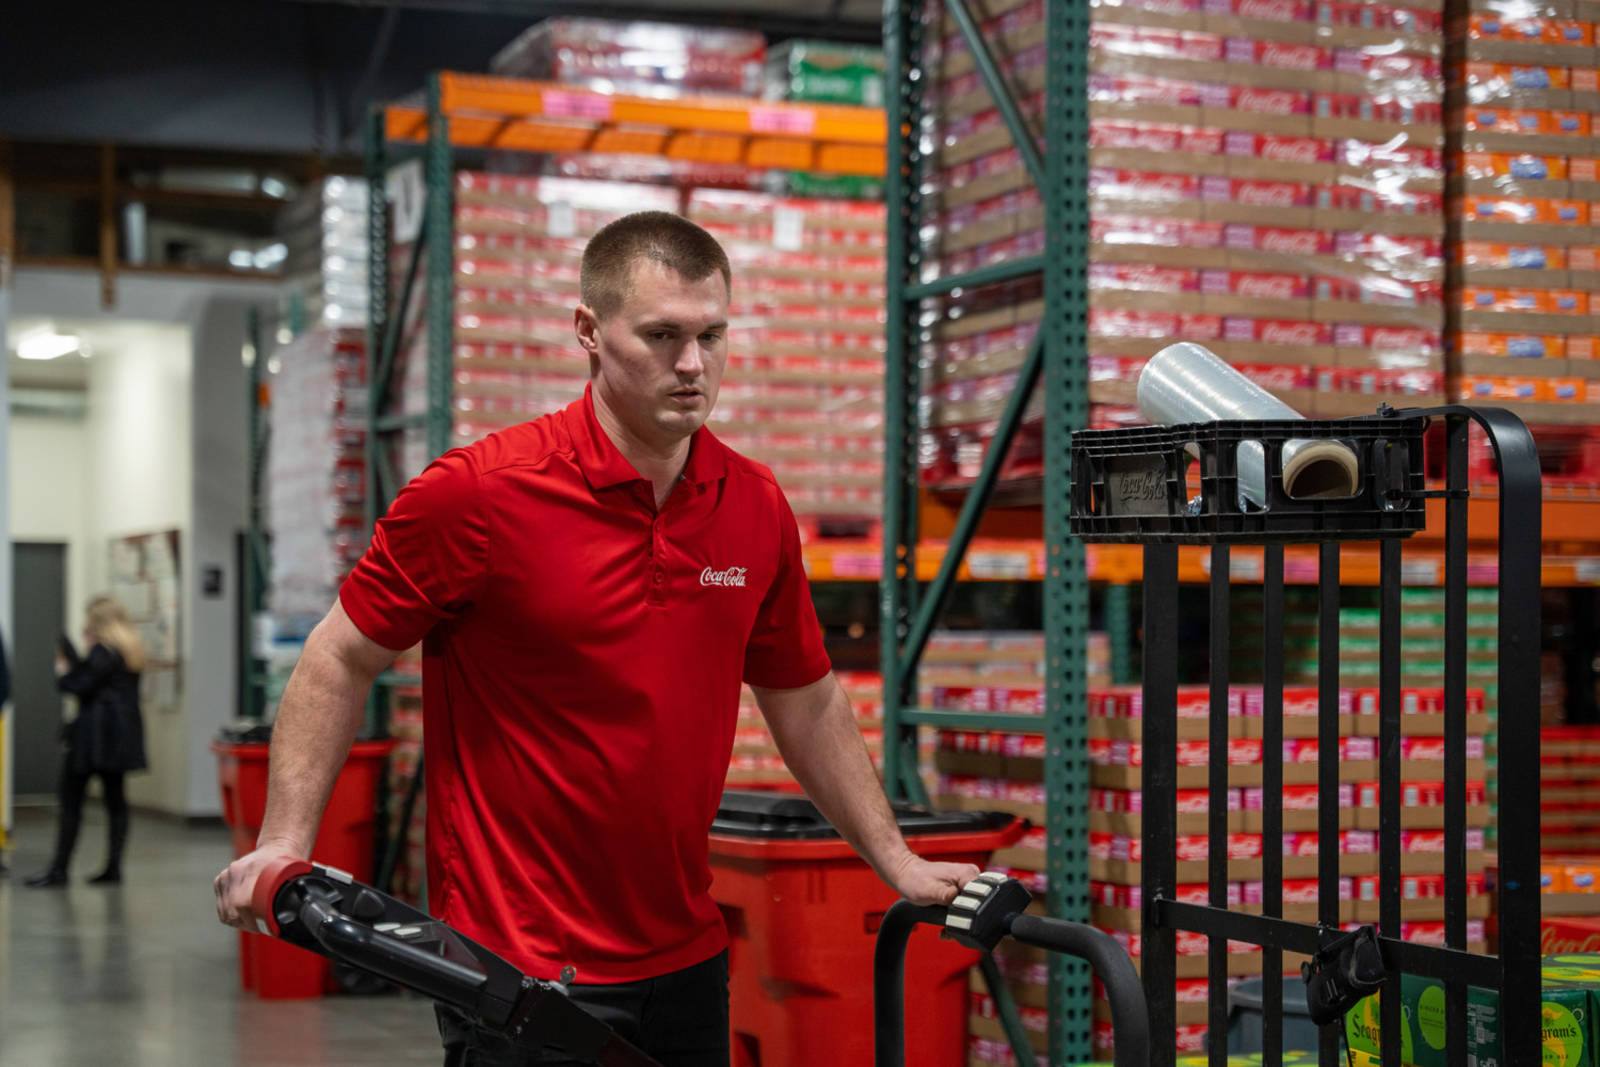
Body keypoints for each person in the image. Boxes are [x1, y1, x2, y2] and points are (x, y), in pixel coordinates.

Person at [213, 211, 979, 1065]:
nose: (692, 365)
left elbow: (804, 695)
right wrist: (284, 843)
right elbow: (339, 653)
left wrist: (895, 858)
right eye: (661, 335)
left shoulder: (754, 505)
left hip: (688, 952)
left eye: (712, 335)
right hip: (514, 967)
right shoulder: (479, 496)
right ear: (588, 330)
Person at [27, 595, 148, 887]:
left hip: (93, 737)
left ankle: (59, 869)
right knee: (116, 801)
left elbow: (79, 686)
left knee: (71, 800)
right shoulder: (130, 652)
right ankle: (113, 867)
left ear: (98, 623)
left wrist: (63, 669)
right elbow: (96, 679)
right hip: (120, 736)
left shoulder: (103, 652)